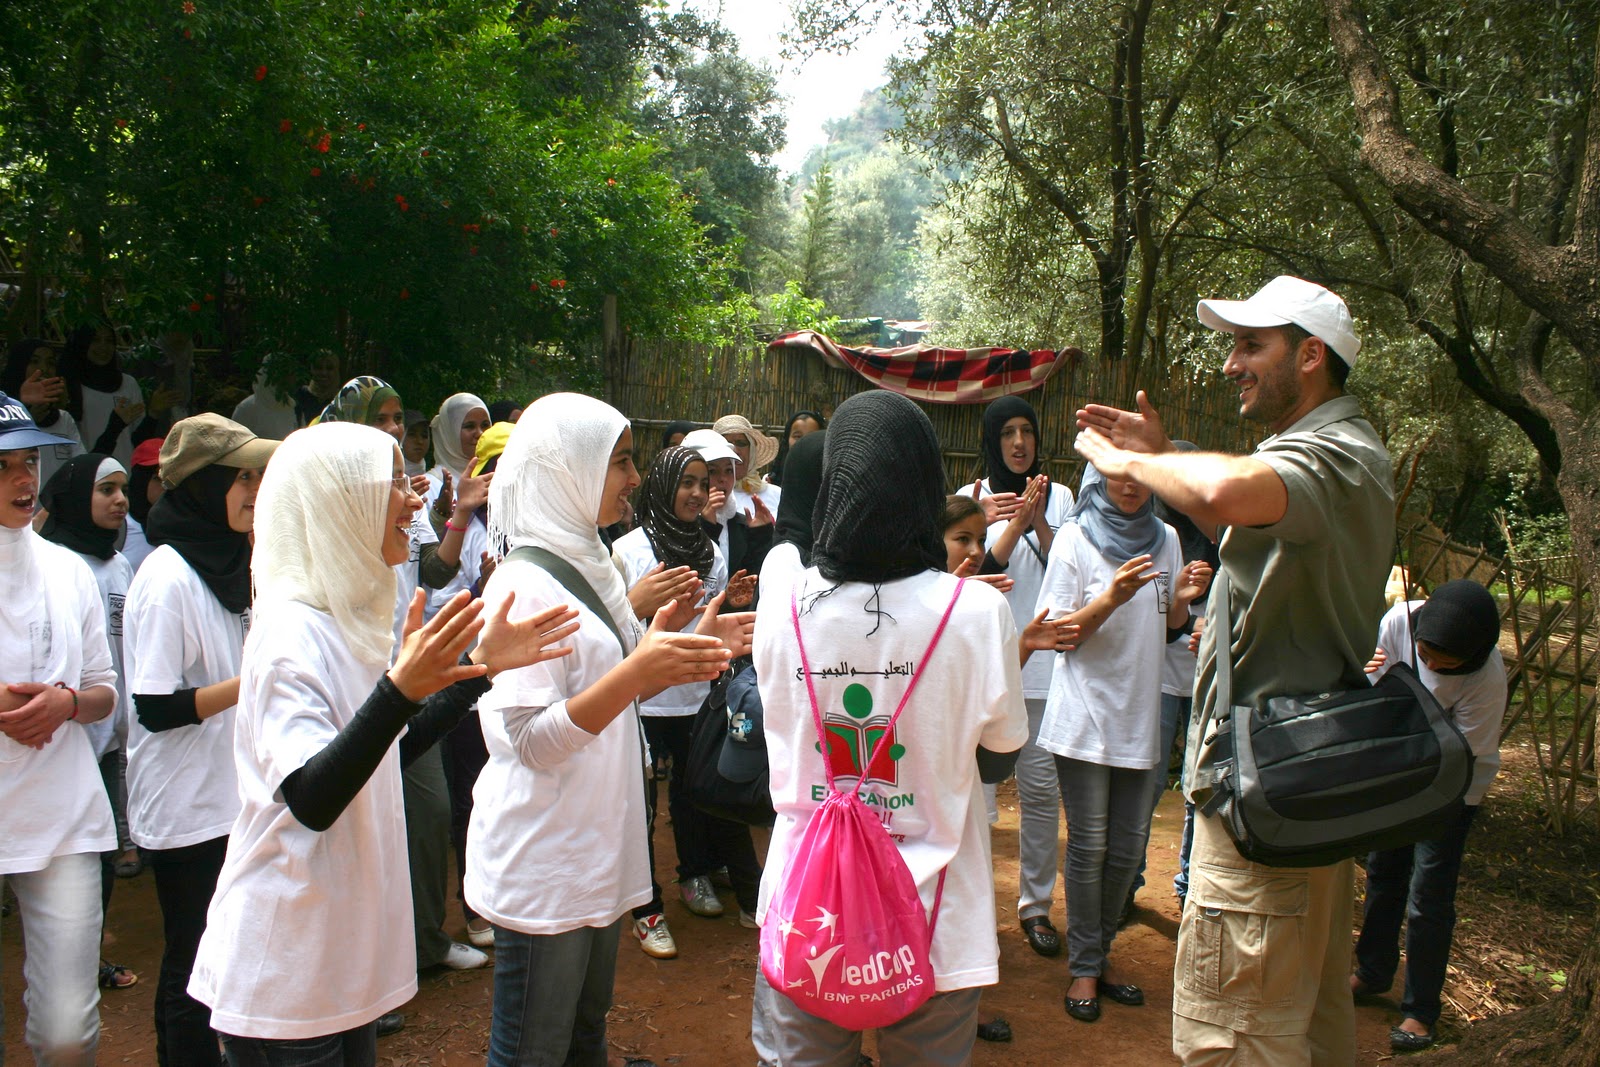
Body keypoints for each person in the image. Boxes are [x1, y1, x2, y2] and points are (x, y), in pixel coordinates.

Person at [187, 421, 579, 1067]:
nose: (413, 498)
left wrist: (477, 668)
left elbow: (385, 755)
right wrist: (399, 690)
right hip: (286, 960)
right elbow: (311, 797)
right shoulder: (290, 635)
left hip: (334, 949)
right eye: (392, 482)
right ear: (340, 503)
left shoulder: (341, 619)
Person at [1074, 275, 1394, 1064]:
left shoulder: (1332, 455)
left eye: (1252, 344)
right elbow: (1240, 519)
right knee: (1301, 1027)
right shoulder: (1328, 453)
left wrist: (1131, 462)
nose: (1230, 364)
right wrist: (1162, 456)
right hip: (1300, 786)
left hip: (1264, 798)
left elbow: (1221, 489)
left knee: (1237, 1037)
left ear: (1310, 355)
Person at [466, 392, 749, 1067]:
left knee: (584, 1034)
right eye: (620, 461)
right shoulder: (525, 583)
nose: (634, 477)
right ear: (569, 470)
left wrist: (689, 647)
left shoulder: (589, 561)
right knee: (533, 1048)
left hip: (589, 843)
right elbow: (530, 740)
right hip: (547, 856)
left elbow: (611, 687)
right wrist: (637, 672)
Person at [750, 390, 1029, 1067]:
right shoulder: (976, 612)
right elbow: (999, 757)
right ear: (927, 485)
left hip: (805, 909)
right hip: (935, 915)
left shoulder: (781, 603)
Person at [124, 414, 279, 1067]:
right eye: (241, 478)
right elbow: (156, 707)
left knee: (232, 958)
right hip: (186, 805)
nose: (255, 490)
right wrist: (254, 681)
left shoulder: (236, 560)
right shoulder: (167, 577)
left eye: (257, 477)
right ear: (201, 486)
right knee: (193, 967)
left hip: (232, 793)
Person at [1034, 465, 1211, 1023]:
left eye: (1140, 475)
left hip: (1140, 712)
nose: (1130, 485)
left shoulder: (1167, 537)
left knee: (1129, 848)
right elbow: (1058, 635)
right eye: (1117, 475)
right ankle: (1086, 967)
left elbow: (1168, 627)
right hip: (1084, 715)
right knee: (1091, 845)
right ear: (1097, 478)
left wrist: (1181, 600)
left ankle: (1101, 951)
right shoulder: (1074, 537)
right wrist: (1111, 597)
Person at [0, 391, 120, 1065]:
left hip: (61, 811)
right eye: (3, 466)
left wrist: (66, 704)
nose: (24, 479)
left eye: (29, 462)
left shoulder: (67, 570)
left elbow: (104, 690)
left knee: (67, 1033)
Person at [613, 444, 762, 959]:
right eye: (687, 483)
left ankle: (694, 874)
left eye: (704, 483)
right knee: (641, 805)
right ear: (663, 486)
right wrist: (639, 604)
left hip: (696, 692)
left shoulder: (711, 552)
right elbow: (616, 630)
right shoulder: (628, 551)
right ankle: (645, 908)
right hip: (643, 697)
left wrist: (729, 604)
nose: (698, 493)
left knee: (693, 792)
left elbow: (706, 622)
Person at [1352, 579, 1507, 1052]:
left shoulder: (1486, 678)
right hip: (1396, 769)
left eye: (1447, 664)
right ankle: (1372, 971)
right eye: (1427, 656)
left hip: (1453, 785)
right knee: (1384, 871)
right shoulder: (1400, 621)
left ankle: (1420, 1010)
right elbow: (1375, 690)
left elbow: (1462, 754)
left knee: (1429, 895)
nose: (1434, 667)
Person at [973, 395, 1077, 958]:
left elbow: (1071, 572)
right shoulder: (971, 498)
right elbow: (973, 571)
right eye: (1008, 432)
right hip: (985, 671)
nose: (1019, 443)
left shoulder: (1061, 498)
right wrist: (1009, 523)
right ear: (992, 440)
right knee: (977, 800)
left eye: (1028, 431)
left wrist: (1039, 520)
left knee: (1040, 794)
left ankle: (1035, 907)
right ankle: (974, 910)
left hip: (1043, 674)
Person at [39, 453, 142, 991]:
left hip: (106, 735)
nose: (120, 500)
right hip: (58, 738)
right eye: (106, 490)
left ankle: (87, 960)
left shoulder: (118, 564)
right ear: (78, 497)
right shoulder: (52, 564)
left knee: (99, 855)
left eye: (123, 489)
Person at [4, 338, 84, 489]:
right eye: (34, 362)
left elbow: (81, 468)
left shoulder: (64, 418)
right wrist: (28, 420)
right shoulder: (3, 412)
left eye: (50, 363)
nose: (43, 369)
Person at [123, 436, 164, 572]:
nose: (167, 486)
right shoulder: (120, 529)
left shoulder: (187, 524)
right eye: (158, 478)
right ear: (141, 480)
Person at [769, 410, 824, 486]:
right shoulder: (770, 484)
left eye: (811, 436)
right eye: (797, 436)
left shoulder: (831, 483)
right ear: (787, 439)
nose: (804, 441)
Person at [402, 410, 432, 477]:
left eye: (424, 435)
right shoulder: (387, 477)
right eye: (412, 434)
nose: (420, 441)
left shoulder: (436, 478)